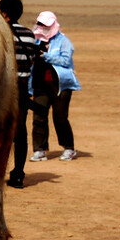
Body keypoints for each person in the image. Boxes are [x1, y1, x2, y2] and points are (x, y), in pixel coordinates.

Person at [29, 10, 80, 162]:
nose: (41, 27)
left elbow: (65, 60)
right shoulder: (35, 40)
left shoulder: (63, 41)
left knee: (60, 117)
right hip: (40, 84)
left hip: (60, 85)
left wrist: (45, 56)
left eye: (45, 24)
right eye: (40, 23)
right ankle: (39, 149)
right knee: (39, 117)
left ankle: (69, 148)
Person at [0, 0, 39, 188]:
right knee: (20, 132)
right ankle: (19, 173)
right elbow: (31, 60)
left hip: (2, 89)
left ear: (4, 14)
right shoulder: (29, 35)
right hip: (22, 89)